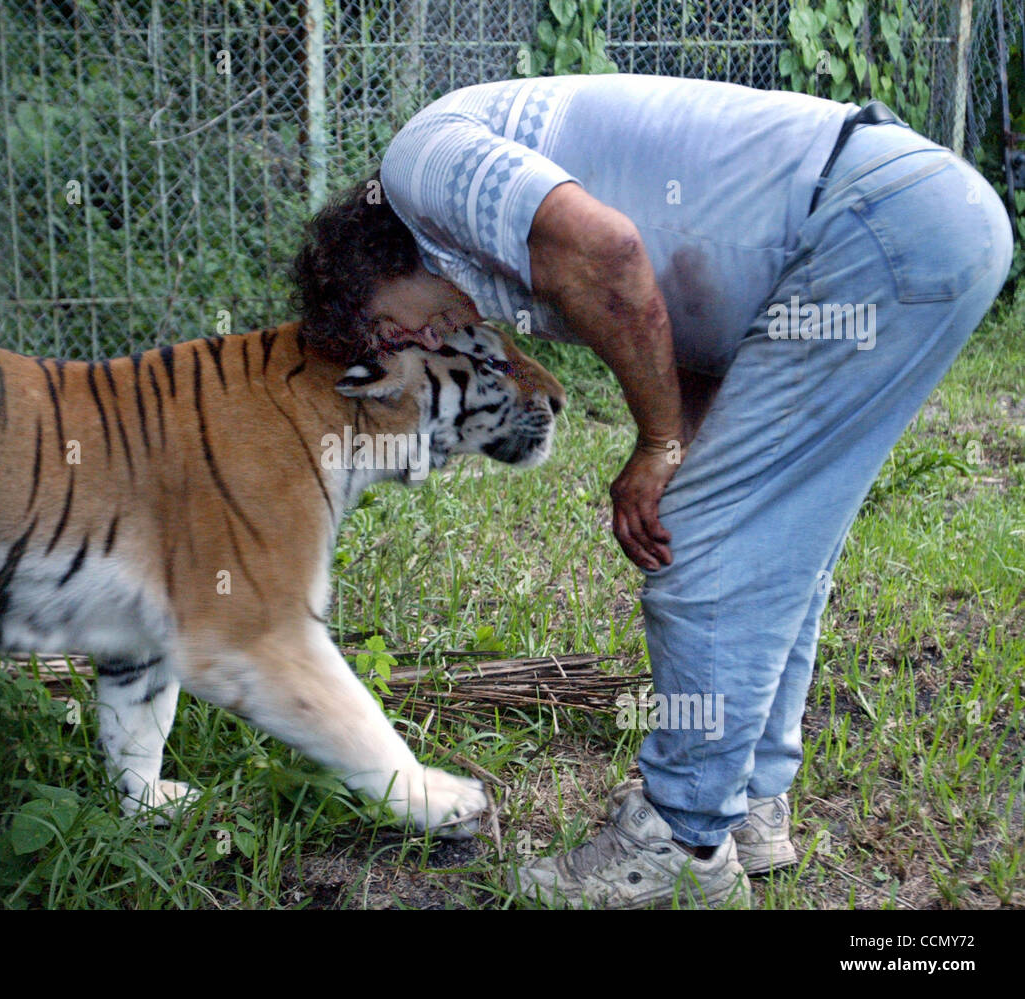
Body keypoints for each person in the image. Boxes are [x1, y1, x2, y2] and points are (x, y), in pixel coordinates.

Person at [290, 73, 1014, 909]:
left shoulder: (421, 163)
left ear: (367, 262)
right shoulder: (485, 250)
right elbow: (698, 324)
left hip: (878, 225)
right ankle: (746, 807)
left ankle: (681, 839)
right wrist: (688, 447)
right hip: (915, 220)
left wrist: (659, 442)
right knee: (768, 544)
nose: (417, 344)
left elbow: (610, 253)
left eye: (386, 328)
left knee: (703, 543)